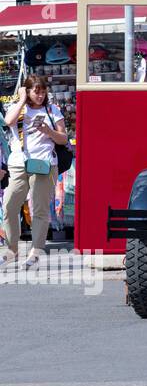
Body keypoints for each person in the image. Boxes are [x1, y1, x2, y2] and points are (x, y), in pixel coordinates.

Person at [2, 74, 68, 269]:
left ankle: (35, 252)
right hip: (18, 164)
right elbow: (8, 121)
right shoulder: (18, 107)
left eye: (42, 92)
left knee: (38, 209)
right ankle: (12, 250)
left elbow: (63, 138)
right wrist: (22, 99)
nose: (39, 96)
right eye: (35, 92)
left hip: (44, 164)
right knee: (9, 205)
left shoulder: (52, 109)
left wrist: (49, 132)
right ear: (27, 91)